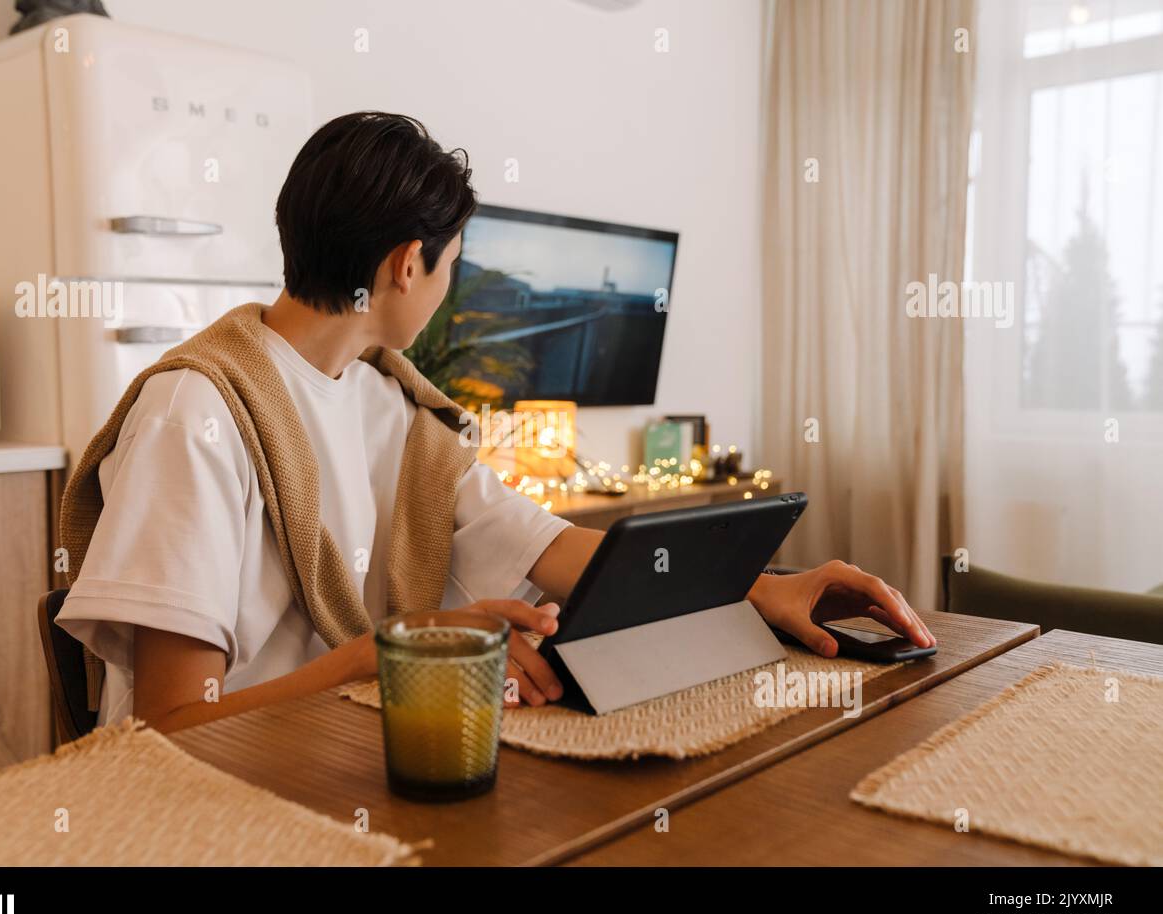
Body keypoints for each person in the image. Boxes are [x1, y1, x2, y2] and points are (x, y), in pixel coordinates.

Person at [56, 111, 934, 734]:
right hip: (229, 799)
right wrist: (392, 653)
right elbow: (173, 723)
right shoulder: (198, 412)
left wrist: (761, 583)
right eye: (452, 270)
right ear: (409, 266)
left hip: (357, 757)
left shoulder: (395, 412)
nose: (446, 294)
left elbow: (555, 548)